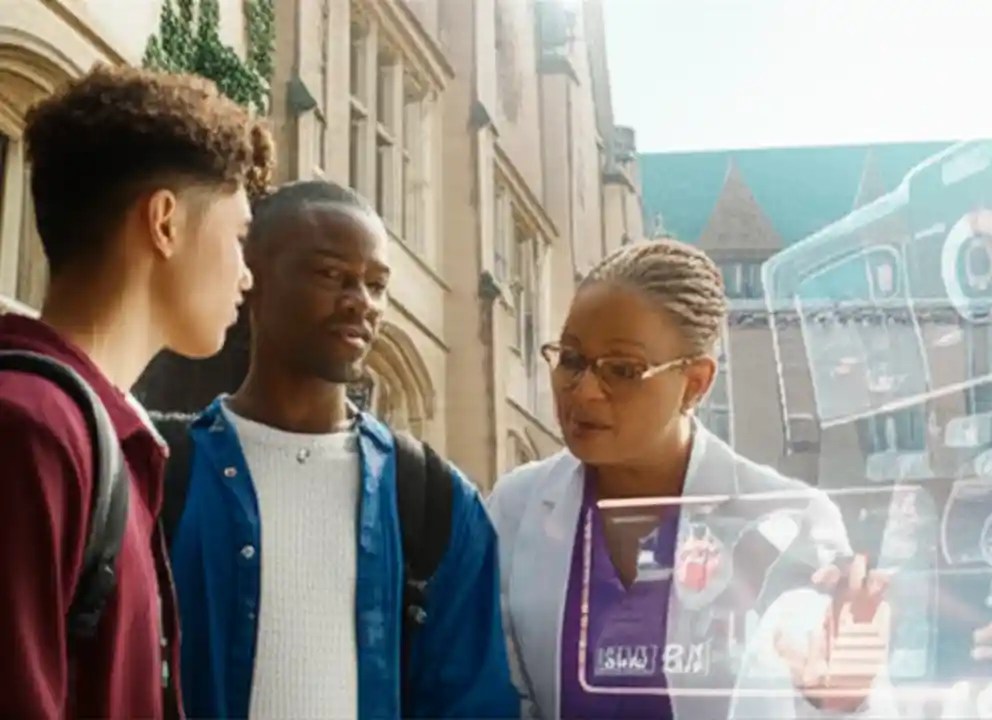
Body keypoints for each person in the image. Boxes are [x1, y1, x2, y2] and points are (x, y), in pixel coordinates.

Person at [165, 180, 519, 719]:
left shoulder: (434, 500)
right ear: (251, 274)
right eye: (330, 274)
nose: (360, 301)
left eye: (376, 284)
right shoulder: (161, 474)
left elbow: (472, 702)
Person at [487, 240, 884, 720]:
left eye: (622, 370)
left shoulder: (793, 523)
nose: (584, 391)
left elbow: (829, 702)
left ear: (696, 383)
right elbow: (498, 698)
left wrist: (842, 701)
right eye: (571, 359)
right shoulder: (517, 506)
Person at [0, 64, 270, 718]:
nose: (247, 276)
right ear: (165, 222)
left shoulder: (97, 435)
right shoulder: (29, 431)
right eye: (239, 237)